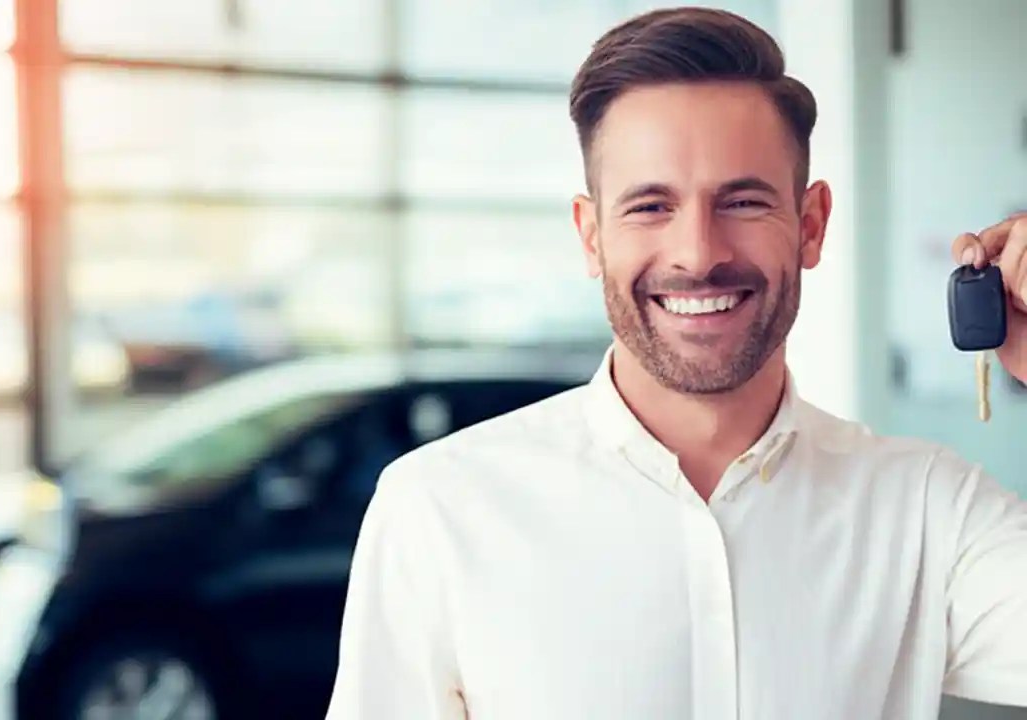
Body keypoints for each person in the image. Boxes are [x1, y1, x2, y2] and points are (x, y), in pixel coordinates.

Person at [324, 6, 1027, 720]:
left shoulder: (925, 510)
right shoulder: (439, 509)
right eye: (650, 207)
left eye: (744, 201)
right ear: (591, 236)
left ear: (810, 225)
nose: (698, 253)